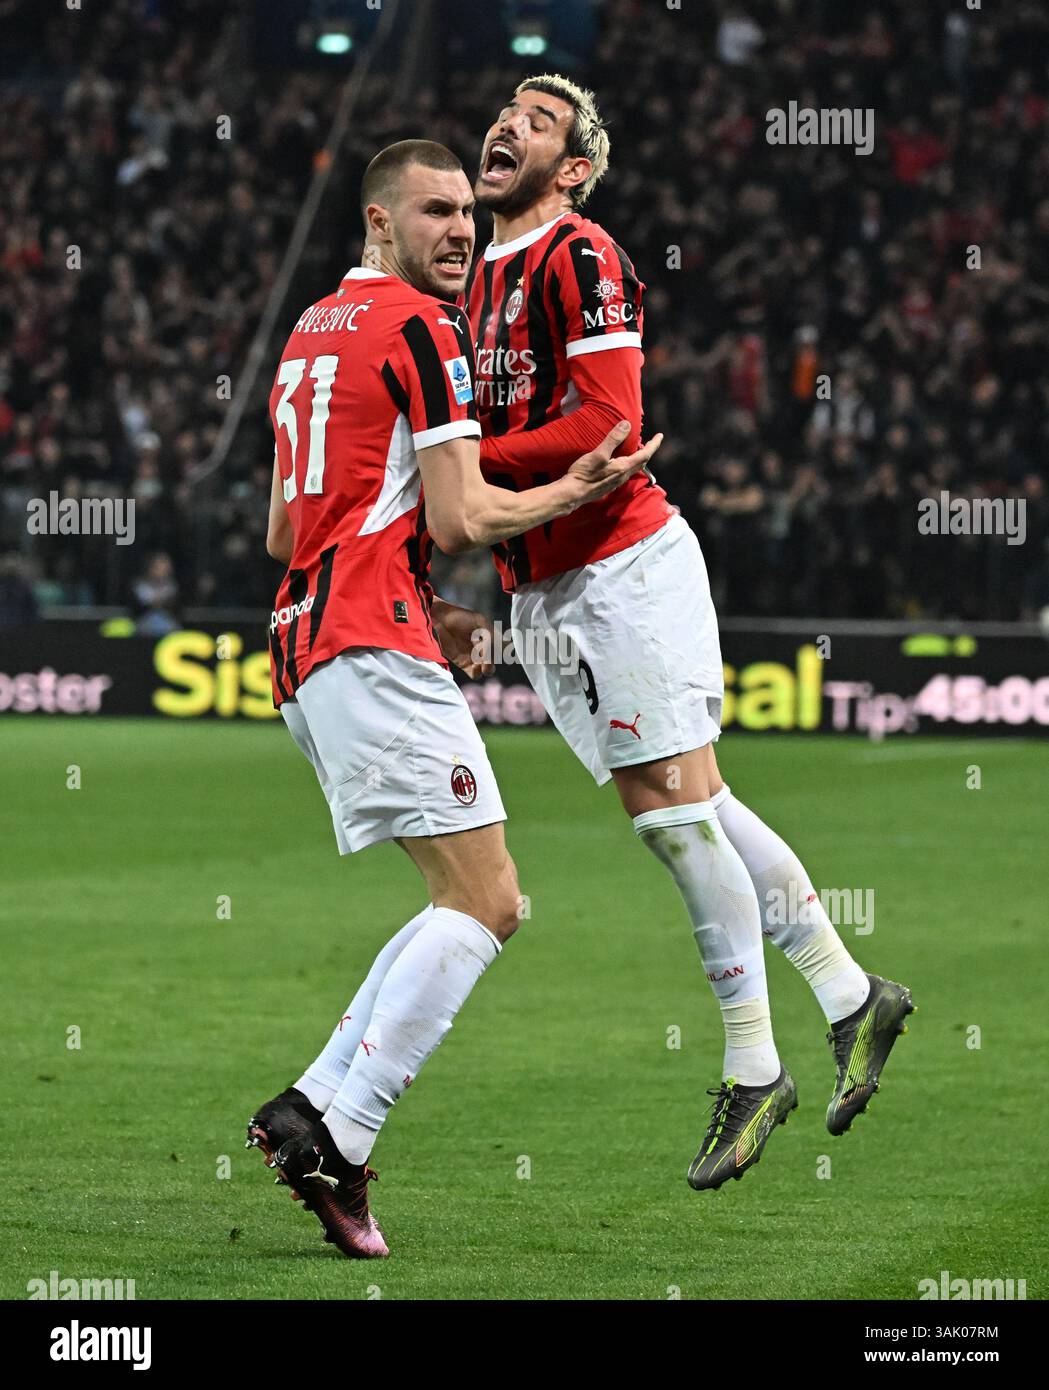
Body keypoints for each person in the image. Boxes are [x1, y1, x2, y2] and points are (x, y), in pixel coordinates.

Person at [467, 77, 913, 1190]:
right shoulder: (470, 278)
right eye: (504, 110)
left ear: (570, 167)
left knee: (668, 816)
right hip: (542, 591)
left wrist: (466, 466)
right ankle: (853, 995)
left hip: (621, 565)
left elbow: (606, 422)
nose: (506, 125)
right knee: (692, 802)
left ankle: (752, 1064)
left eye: (536, 120)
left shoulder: (579, 254)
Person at [247, 139, 661, 1257]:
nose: (459, 233)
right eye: (434, 212)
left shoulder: (306, 334)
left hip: (306, 639)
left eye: (464, 219)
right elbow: (460, 517)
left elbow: (287, 530)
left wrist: (429, 608)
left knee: (470, 896)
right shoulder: (426, 330)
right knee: (487, 901)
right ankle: (341, 1125)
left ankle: (317, 1106)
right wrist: (573, 487)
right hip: (367, 635)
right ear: (377, 222)